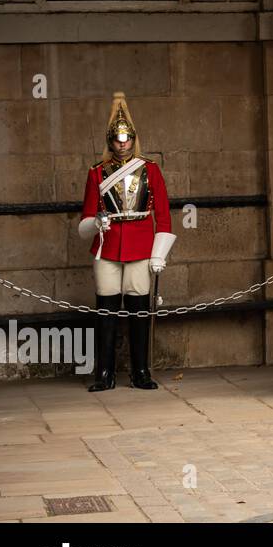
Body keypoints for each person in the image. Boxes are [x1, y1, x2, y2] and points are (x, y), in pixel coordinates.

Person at [78, 93, 176, 391]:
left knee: (139, 311)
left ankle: (141, 372)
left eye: (127, 138)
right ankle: (104, 374)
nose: (122, 144)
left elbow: (164, 217)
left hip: (141, 246)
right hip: (108, 247)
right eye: (117, 139)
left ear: (133, 139)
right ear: (111, 140)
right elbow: (83, 224)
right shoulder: (96, 172)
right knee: (105, 311)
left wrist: (159, 254)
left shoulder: (151, 170)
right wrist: (97, 223)